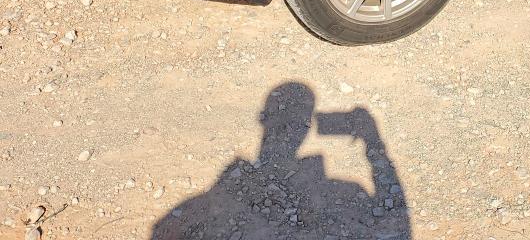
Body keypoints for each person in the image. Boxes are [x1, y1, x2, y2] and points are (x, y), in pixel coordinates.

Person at [151, 82, 410, 239]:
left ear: (262, 118)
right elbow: (398, 219)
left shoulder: (191, 208)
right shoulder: (351, 189)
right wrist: (374, 143)